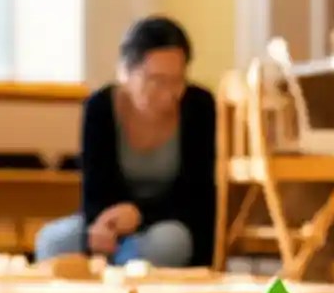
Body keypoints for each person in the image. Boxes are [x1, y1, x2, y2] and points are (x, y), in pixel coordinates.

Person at [35, 16, 216, 268]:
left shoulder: (199, 106)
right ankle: (118, 262)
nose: (168, 94)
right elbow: (93, 187)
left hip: (164, 225)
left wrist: (139, 215)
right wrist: (102, 224)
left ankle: (117, 264)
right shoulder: (100, 107)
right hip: (110, 222)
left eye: (177, 81)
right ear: (126, 73)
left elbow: (196, 196)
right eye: (156, 80)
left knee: (171, 242)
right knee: (51, 240)